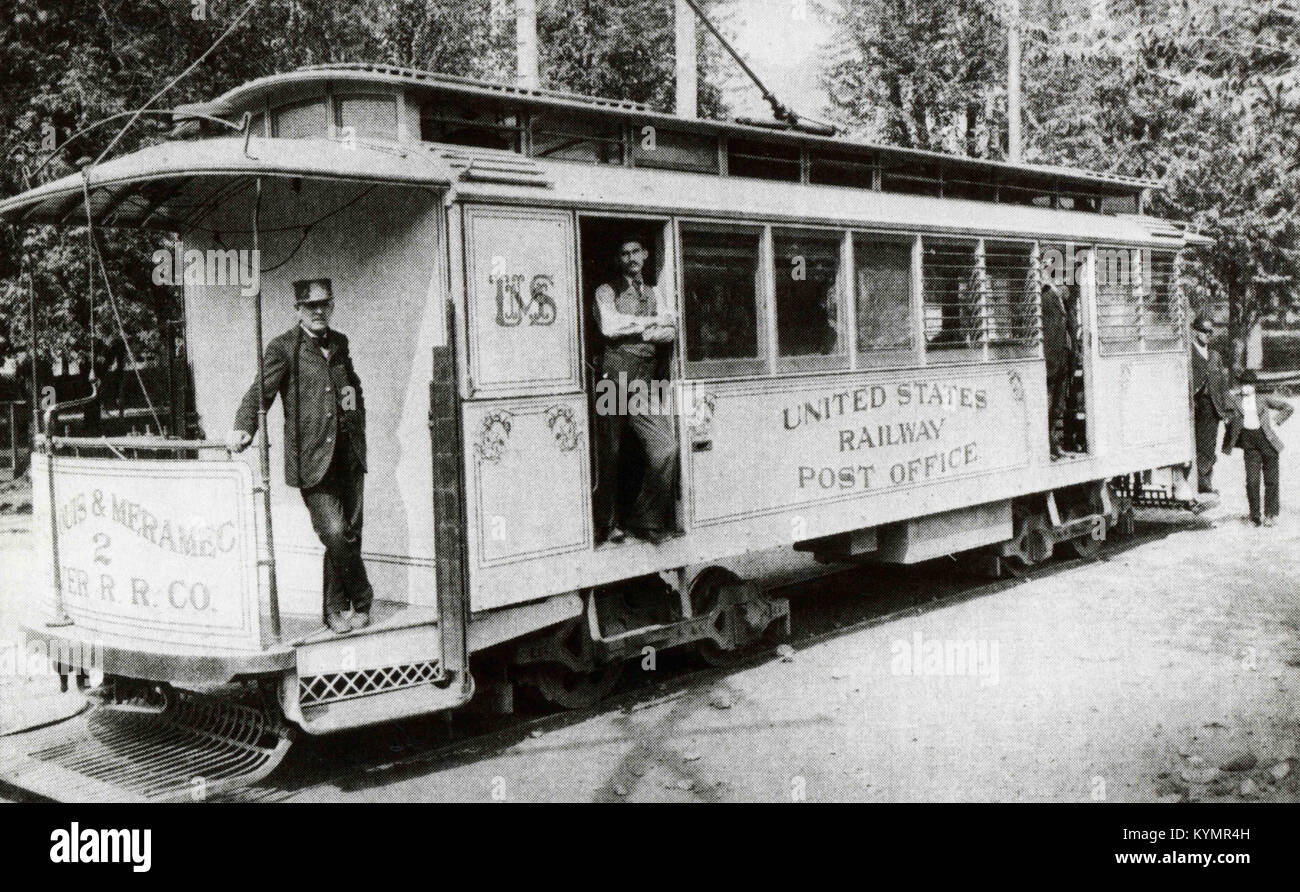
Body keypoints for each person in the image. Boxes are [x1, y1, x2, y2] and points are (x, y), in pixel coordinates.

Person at [226, 279, 372, 634]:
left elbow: (350, 387)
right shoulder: (284, 348)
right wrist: (244, 426)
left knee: (350, 532)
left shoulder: (340, 342)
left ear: (332, 305)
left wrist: (356, 420)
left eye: (325, 304)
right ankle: (363, 596)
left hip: (348, 455)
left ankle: (335, 609)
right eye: (311, 307)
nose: (319, 311)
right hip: (312, 459)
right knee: (335, 533)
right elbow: (261, 391)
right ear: (298, 310)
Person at [592, 239, 678, 545]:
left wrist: (645, 327)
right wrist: (651, 323)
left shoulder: (655, 291)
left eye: (636, 252)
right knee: (610, 452)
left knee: (665, 446)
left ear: (644, 255)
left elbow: (671, 329)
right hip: (612, 378)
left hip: (643, 379)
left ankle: (645, 517)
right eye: (625, 253)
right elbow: (610, 327)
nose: (632, 258)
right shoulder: (607, 290)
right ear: (619, 258)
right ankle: (608, 523)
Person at [1222, 369, 1293, 527]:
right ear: (1240, 385)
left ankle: (1270, 515)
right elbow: (1224, 412)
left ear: (1254, 386)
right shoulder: (1234, 400)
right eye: (1243, 384)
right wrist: (1228, 421)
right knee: (1252, 481)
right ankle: (1255, 517)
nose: (1246, 387)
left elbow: (1287, 407)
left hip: (1267, 442)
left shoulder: (1263, 398)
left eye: (1249, 384)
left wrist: (1277, 421)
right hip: (1249, 444)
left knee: (1271, 481)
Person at [1190, 313, 1233, 494]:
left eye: (1210, 332)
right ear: (1195, 331)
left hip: (1211, 406)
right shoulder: (1188, 353)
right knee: (1191, 445)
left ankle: (1204, 483)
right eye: (1204, 331)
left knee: (1208, 445)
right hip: (1192, 404)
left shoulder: (1215, 356)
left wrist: (1228, 409)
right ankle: (1189, 483)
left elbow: (1223, 385)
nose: (1208, 334)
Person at [1041, 280, 1079, 459]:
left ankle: (1055, 445)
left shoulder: (1062, 301)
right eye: (1067, 288)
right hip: (1051, 361)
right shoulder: (1046, 297)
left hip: (1063, 359)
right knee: (1047, 406)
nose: (1069, 292)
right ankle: (1047, 446)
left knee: (1058, 406)